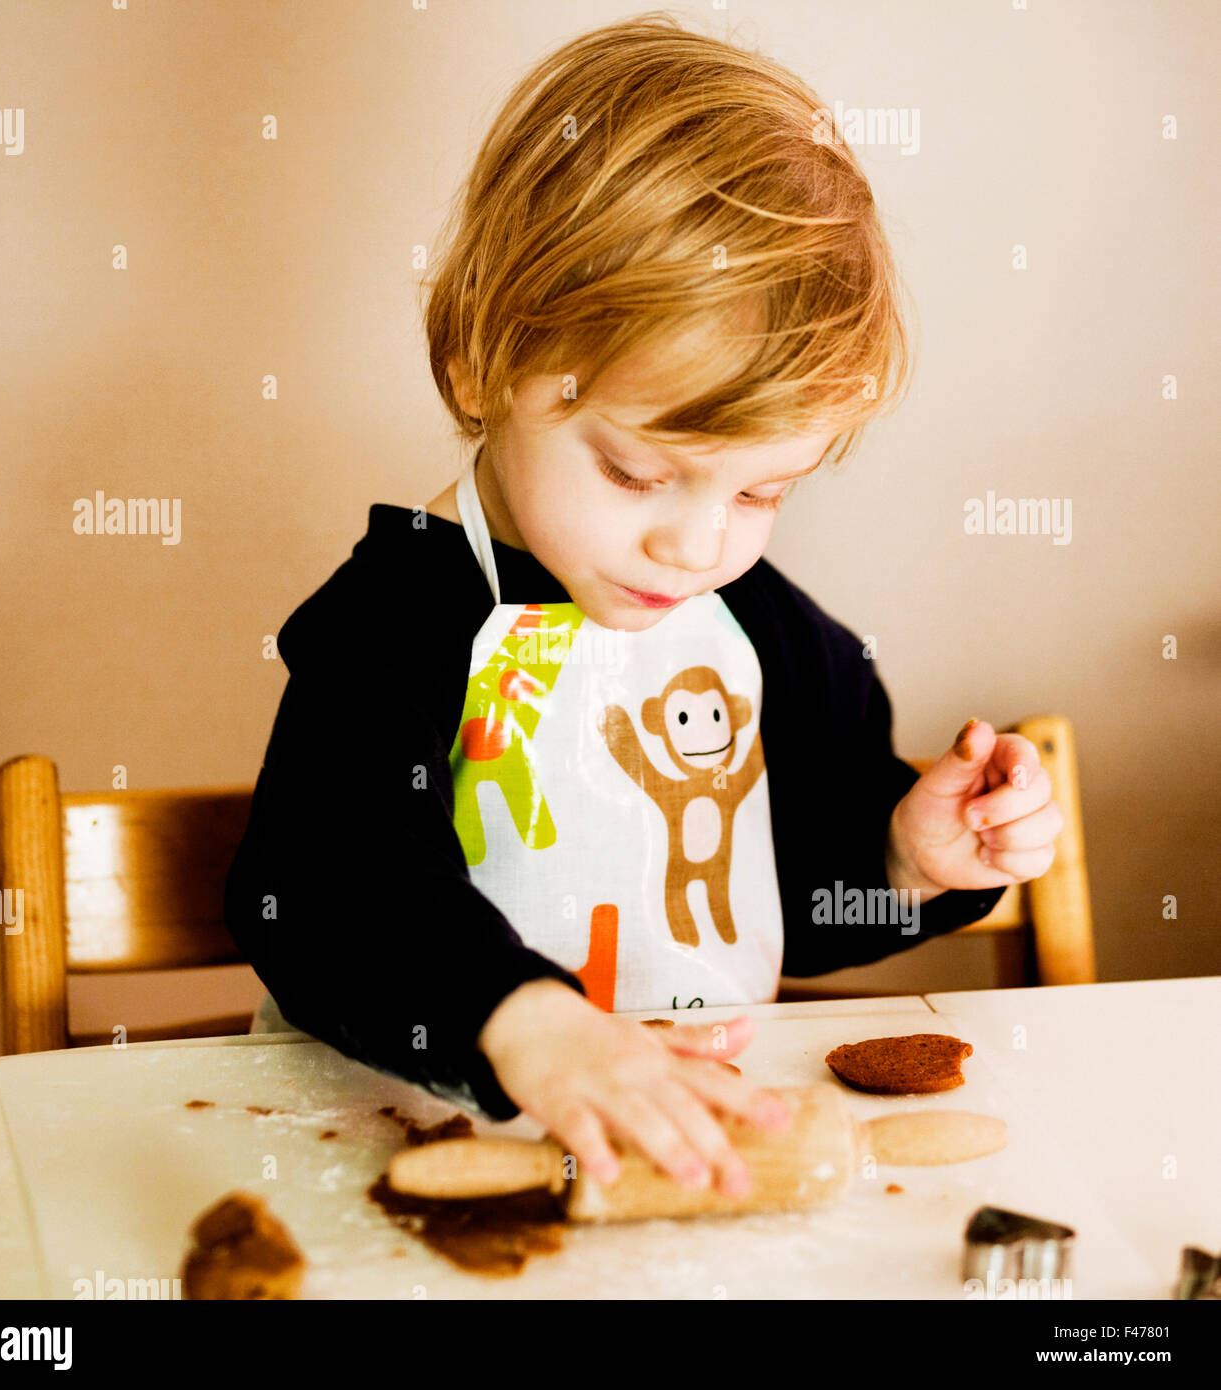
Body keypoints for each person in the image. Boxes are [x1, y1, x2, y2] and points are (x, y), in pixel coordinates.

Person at [225, 15, 1062, 1200]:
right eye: (635, 471)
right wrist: (531, 1026)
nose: (697, 542)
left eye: (762, 491)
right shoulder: (400, 620)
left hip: (663, 1180)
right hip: (395, 1163)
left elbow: (791, 905)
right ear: (481, 362)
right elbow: (320, 886)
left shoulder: (762, 634)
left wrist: (907, 859)